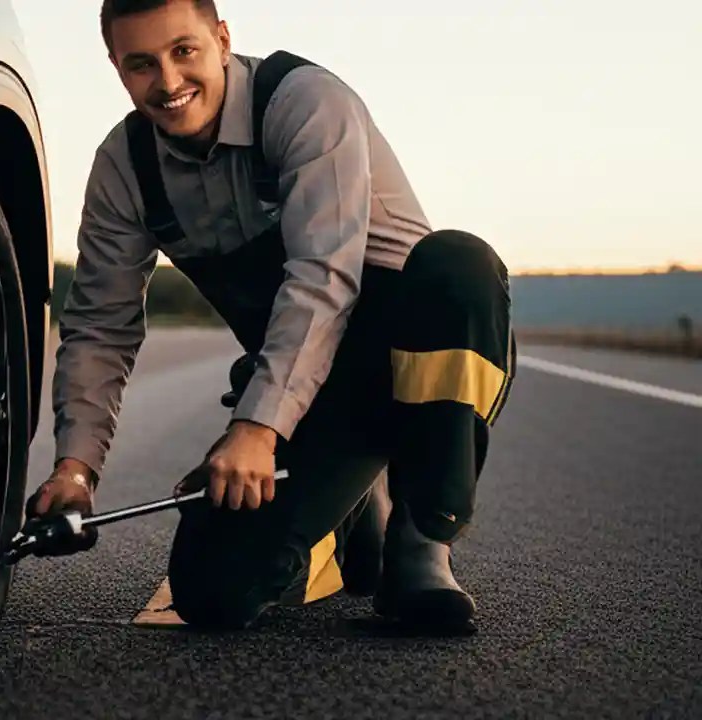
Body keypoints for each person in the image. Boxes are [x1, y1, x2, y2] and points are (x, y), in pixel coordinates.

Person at [26, 0, 516, 634]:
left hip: (404, 359)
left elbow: (322, 276)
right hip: (310, 390)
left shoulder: (306, 102)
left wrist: (257, 427)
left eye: (184, 52)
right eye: (141, 64)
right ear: (116, 66)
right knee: (214, 596)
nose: (169, 83)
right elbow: (99, 324)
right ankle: (348, 516)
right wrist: (76, 467)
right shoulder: (125, 166)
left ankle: (422, 542)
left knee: (460, 266)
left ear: (222, 39)